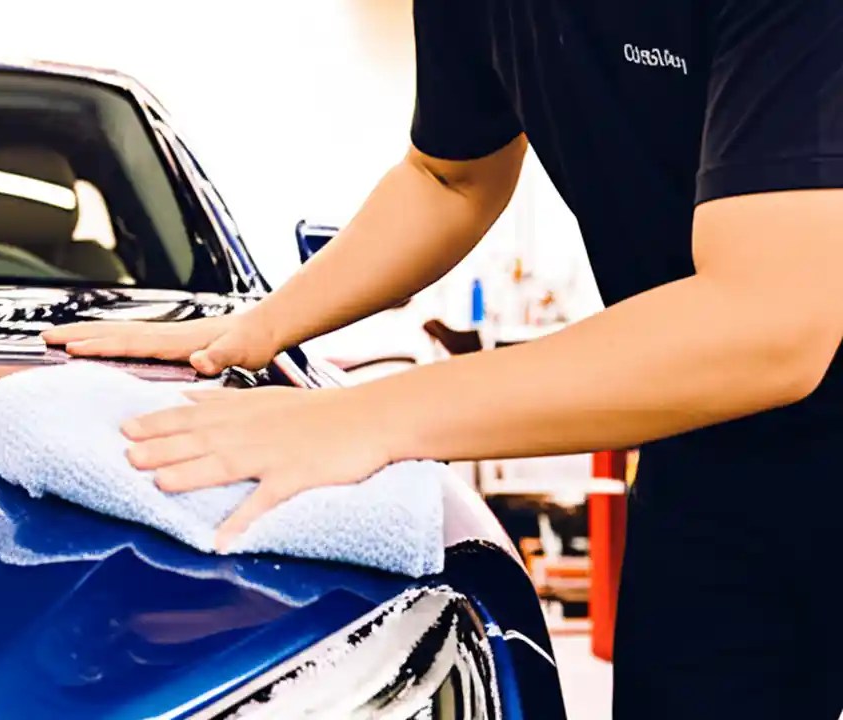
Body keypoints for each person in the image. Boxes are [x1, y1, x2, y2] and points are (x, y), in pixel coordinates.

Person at [43, 0, 843, 717]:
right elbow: (449, 177)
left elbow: (770, 319)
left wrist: (365, 418)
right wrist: (257, 327)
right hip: (709, 447)